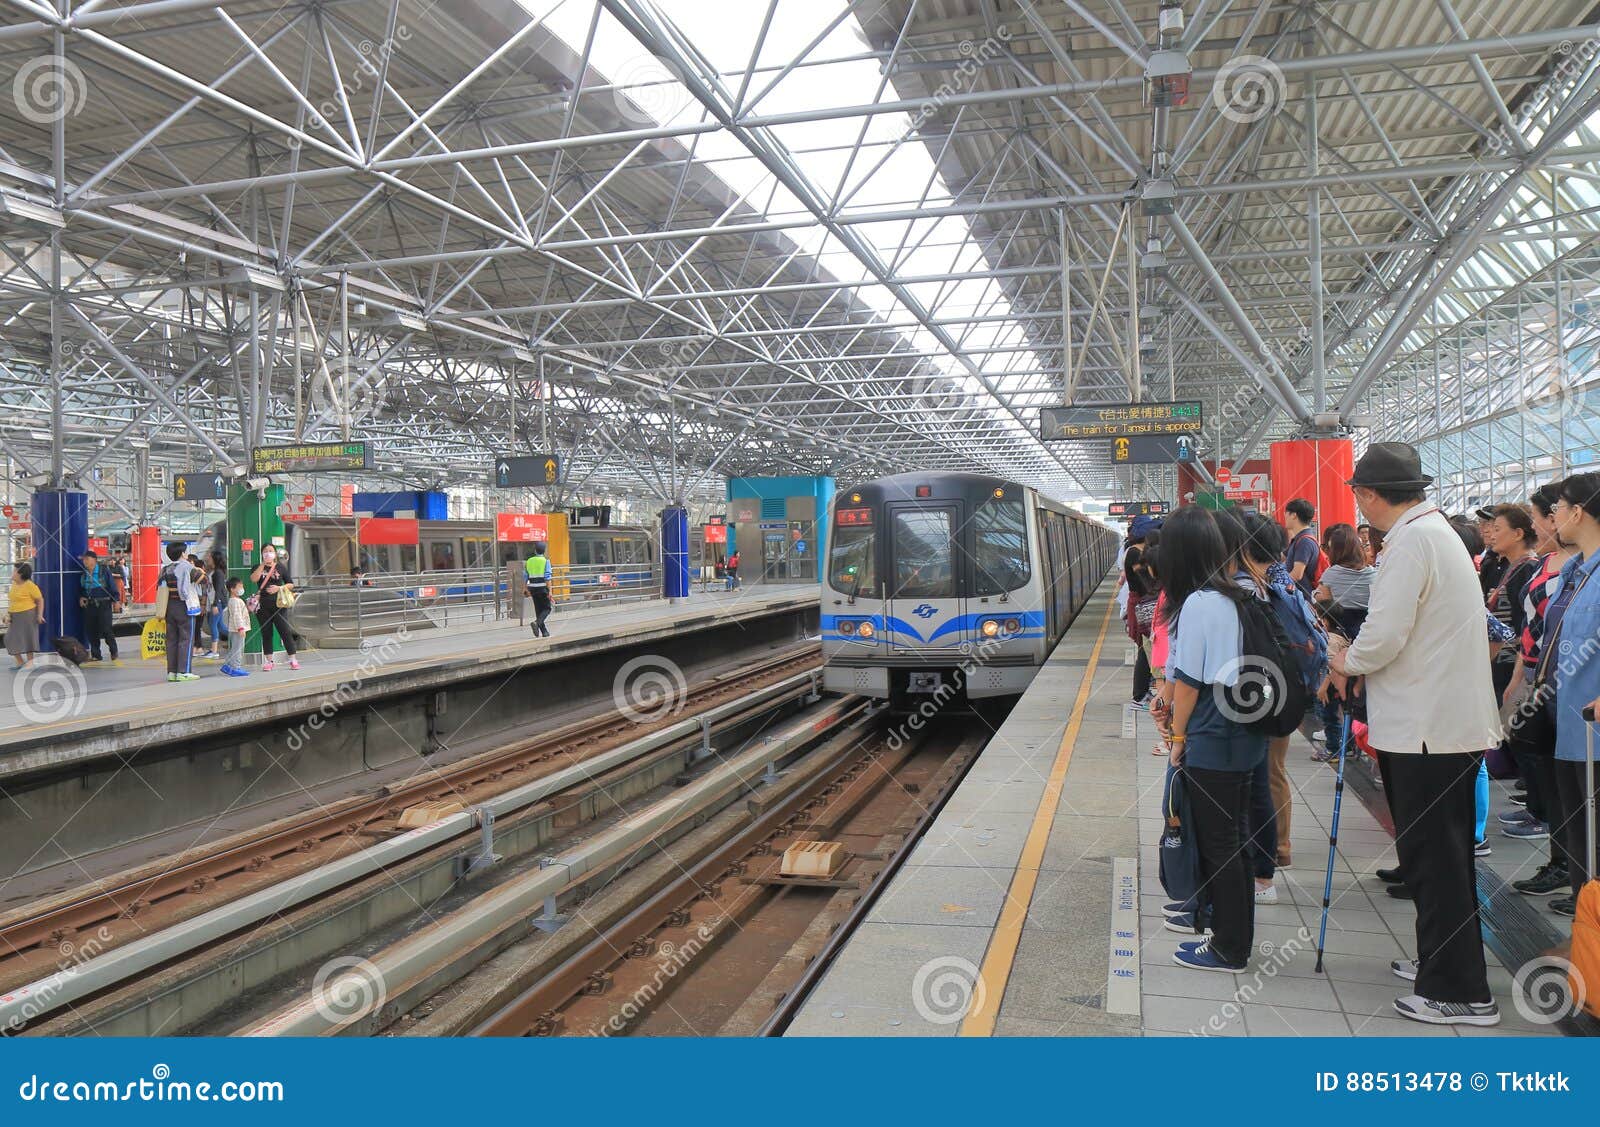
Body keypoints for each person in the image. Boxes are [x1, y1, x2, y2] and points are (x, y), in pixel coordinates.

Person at [1327, 442, 1501, 1026]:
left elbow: (1383, 636)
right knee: (1433, 856)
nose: (1358, 502)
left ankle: (1461, 991)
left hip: (1430, 729)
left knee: (1439, 858)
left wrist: (1343, 660)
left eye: (1357, 492)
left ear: (1370, 495)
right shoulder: (1428, 534)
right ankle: (1439, 961)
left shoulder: (1412, 542)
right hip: (1436, 724)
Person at [1151, 506, 1268, 974]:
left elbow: (1189, 681)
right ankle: (1230, 938)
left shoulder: (1200, 602)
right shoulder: (1242, 593)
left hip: (1212, 729)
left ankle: (1229, 948)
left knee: (1221, 843)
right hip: (1244, 728)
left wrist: (1177, 737)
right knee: (1234, 839)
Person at [1499, 483, 1572, 893]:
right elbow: (1532, 631)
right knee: (1549, 774)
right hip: (1537, 679)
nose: (1536, 524)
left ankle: (1574, 871)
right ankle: (1562, 862)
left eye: (1540, 515)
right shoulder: (1550, 565)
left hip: (1563, 686)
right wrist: (1518, 679)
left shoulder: (1577, 568)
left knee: (1568, 783)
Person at [1545, 473, 1600, 917]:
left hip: (1595, 738)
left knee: (1595, 845)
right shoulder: (1576, 573)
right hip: (1569, 731)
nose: (1553, 517)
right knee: (1580, 841)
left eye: (1558, 507)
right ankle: (1587, 943)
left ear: (1578, 511)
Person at [1314, 523, 1375, 760]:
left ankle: (1336, 744)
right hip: (1365, 637)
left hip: (1337, 636)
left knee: (1330, 693)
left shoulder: (1330, 575)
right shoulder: (1373, 574)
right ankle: (1358, 742)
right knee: (1357, 695)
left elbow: (1325, 611)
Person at [250, 545, 299, 670]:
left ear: (275, 554)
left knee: (285, 631)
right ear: (261, 554)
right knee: (266, 633)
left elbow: (290, 584)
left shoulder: (280, 567)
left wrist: (279, 588)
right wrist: (262, 565)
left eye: (271, 551)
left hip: (279, 604)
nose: (268, 553)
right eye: (265, 551)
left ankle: (293, 659)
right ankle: (269, 661)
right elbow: (253, 579)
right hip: (262, 606)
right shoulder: (257, 567)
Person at [159, 542, 201, 683]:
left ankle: (172, 672)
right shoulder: (187, 567)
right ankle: (184, 671)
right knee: (186, 639)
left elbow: (159, 587)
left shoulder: (165, 569)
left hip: (168, 607)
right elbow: (202, 579)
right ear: (183, 553)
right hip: (184, 607)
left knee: (171, 640)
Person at [78, 549, 122, 663]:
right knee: (91, 630)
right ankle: (96, 654)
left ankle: (114, 652)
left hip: (104, 604)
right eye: (84, 560)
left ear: (94, 560)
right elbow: (82, 589)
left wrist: (116, 601)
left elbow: (112, 586)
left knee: (106, 629)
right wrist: (81, 597)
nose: (85, 562)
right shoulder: (84, 574)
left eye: (87, 559)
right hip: (90, 605)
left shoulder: (104, 571)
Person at [5, 562, 43, 668]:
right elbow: (13, 601)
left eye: (14, 571)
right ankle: (20, 661)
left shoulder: (30, 585)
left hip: (28, 614)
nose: (12, 573)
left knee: (28, 638)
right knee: (9, 638)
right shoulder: (14, 584)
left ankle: (30, 663)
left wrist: (39, 615)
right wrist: (8, 614)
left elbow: (40, 600)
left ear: (20, 573)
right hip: (15, 615)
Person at [1284, 498, 1320, 596]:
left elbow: (1297, 574)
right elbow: (1282, 557)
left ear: (1294, 515)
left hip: (1302, 597)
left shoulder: (1304, 541)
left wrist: (1278, 585)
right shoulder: (1299, 538)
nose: (1285, 518)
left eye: (1286, 514)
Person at [220, 577, 251, 677]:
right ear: (232, 589)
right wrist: (241, 628)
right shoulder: (235, 601)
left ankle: (228, 665)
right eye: (239, 587)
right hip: (238, 629)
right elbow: (236, 615)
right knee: (238, 648)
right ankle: (235, 667)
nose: (242, 588)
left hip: (235, 628)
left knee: (234, 648)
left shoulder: (234, 600)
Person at [524, 541, 553, 638]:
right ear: (544, 551)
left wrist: (526, 589)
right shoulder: (546, 561)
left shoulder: (529, 561)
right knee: (547, 608)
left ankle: (544, 632)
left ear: (535, 550)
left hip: (533, 589)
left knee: (538, 610)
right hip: (543, 588)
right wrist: (550, 592)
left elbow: (525, 577)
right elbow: (547, 577)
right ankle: (537, 623)